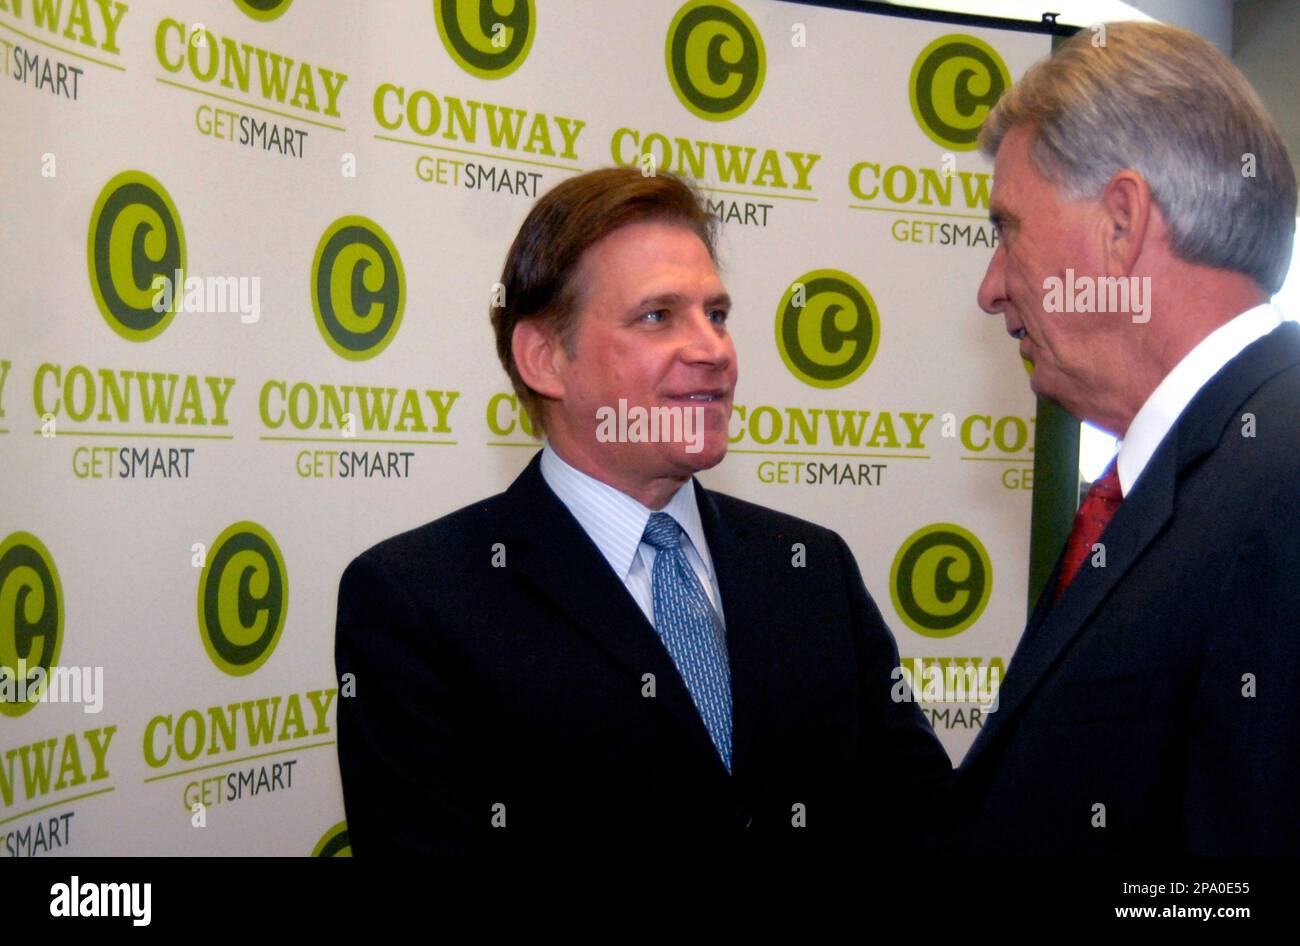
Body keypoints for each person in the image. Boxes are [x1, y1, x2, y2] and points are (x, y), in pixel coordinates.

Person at [334, 167, 949, 860]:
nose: (713, 350)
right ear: (544, 358)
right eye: (657, 317)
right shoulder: (419, 601)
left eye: (716, 315)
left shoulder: (811, 567)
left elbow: (921, 819)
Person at [958, 21, 1300, 854]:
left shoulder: (1282, 484)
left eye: (1006, 229)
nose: (990, 288)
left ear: (1121, 223)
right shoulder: (1175, 484)